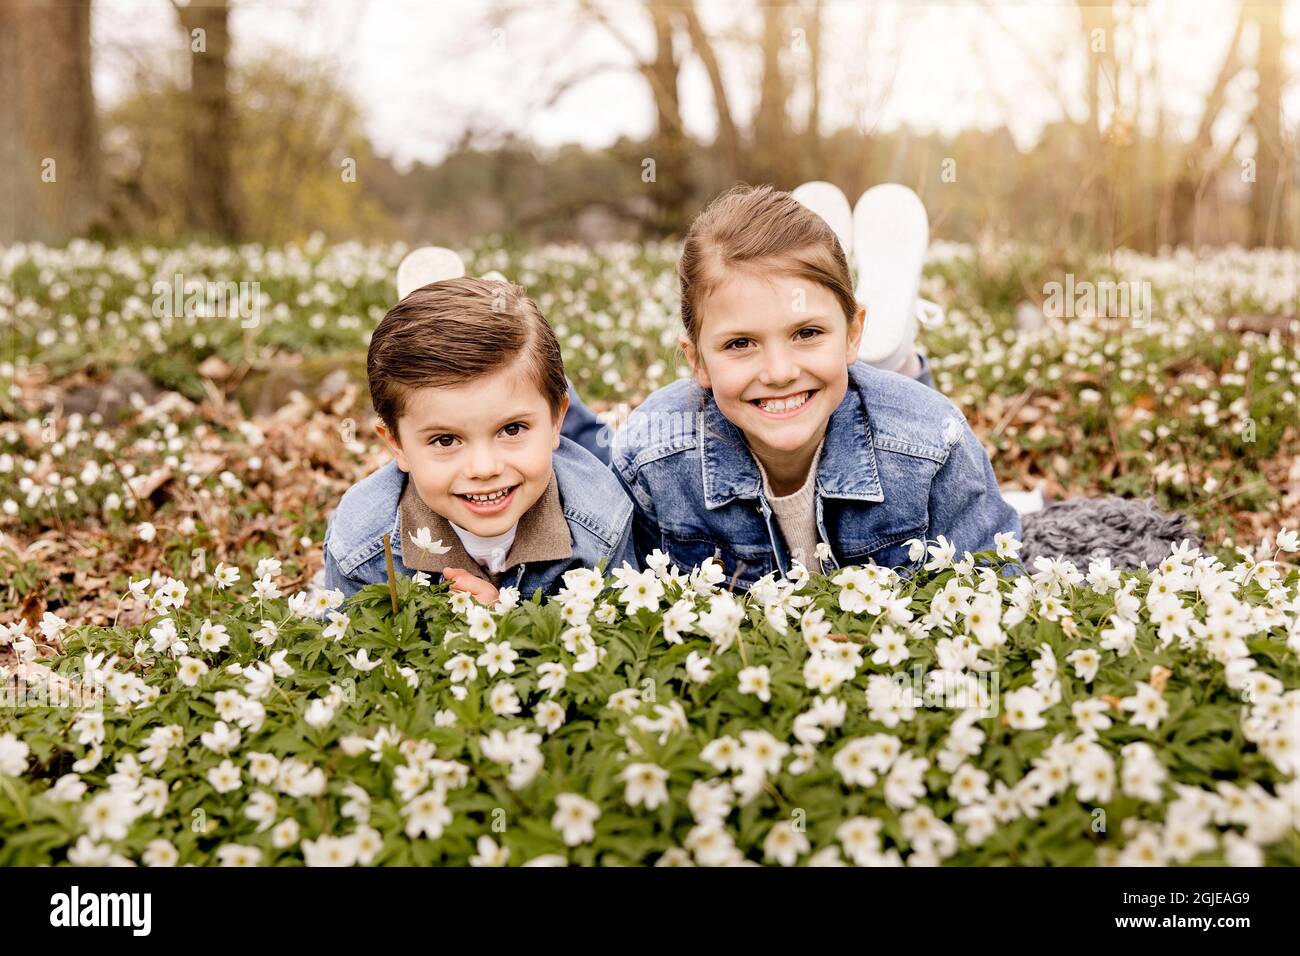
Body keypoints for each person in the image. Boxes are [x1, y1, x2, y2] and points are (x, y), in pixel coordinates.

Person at [609, 184, 1020, 590]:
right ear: (696, 360)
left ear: (854, 333)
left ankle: (897, 354)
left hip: (888, 419)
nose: (778, 371)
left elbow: (996, 587)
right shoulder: (651, 456)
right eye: (740, 343)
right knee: (842, 388)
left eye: (806, 332)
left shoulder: (932, 440)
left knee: (896, 408)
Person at [322, 276, 634, 605]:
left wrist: (504, 622)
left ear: (558, 420)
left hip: (573, 461)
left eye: (511, 429)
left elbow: (614, 633)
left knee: (603, 449)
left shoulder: (602, 520)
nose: (484, 468)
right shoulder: (361, 544)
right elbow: (348, 649)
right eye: (445, 440)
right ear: (396, 444)